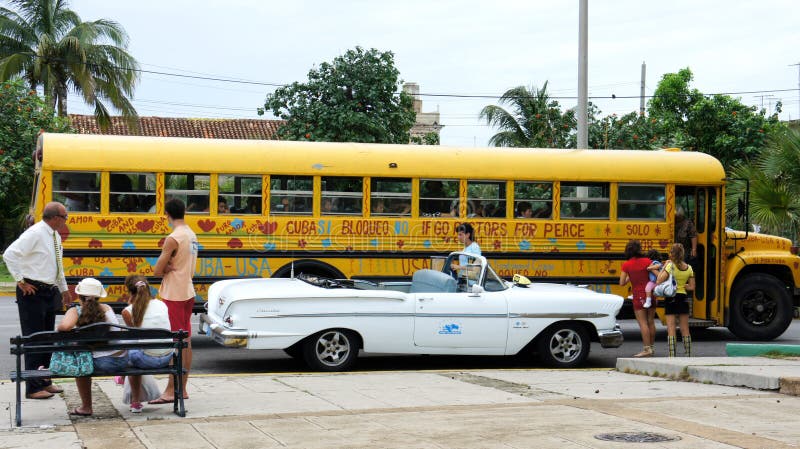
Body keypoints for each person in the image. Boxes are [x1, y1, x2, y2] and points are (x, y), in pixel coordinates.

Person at [2, 201, 72, 399]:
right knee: (34, 338)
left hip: (49, 290)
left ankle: (44, 380)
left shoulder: (54, 235)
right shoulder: (35, 233)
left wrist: (64, 289)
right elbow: (9, 255)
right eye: (65, 217)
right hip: (32, 291)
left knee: (47, 338)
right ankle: (33, 387)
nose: (66, 221)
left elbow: (58, 265)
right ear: (55, 218)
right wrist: (20, 281)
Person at [150, 198, 198, 405]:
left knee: (175, 342)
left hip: (174, 293)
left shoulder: (173, 238)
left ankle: (171, 390)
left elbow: (156, 270)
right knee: (186, 340)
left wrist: (166, 266)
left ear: (167, 214)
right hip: (187, 289)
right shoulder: (191, 234)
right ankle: (182, 388)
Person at [57, 278, 127, 416]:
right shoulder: (107, 309)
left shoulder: (76, 311)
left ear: (79, 295)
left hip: (102, 363)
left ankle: (86, 407)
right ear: (99, 296)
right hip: (122, 361)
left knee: (81, 363)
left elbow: (64, 327)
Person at [121, 275, 173, 413]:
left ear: (130, 291)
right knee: (138, 349)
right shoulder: (162, 305)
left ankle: (136, 402)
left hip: (145, 360)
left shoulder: (128, 311)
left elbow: (134, 336)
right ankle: (123, 379)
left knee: (132, 349)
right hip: (167, 357)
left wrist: (130, 303)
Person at [656, 243, 695, 357]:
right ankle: (688, 354)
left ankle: (672, 355)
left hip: (671, 298)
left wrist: (664, 266)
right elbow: (691, 287)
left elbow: (658, 280)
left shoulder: (670, 266)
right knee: (685, 328)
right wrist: (681, 285)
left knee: (671, 328)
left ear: (672, 254)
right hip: (683, 298)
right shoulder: (689, 268)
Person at [619, 240, 656, 358]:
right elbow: (656, 275)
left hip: (638, 296)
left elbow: (621, 283)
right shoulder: (648, 261)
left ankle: (647, 349)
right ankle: (651, 347)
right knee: (651, 321)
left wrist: (630, 276)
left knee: (643, 323)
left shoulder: (627, 265)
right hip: (651, 294)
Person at [450, 223, 481, 287]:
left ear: (467, 235)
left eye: (460, 235)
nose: (458, 237)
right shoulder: (466, 248)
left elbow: (476, 267)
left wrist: (458, 267)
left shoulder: (474, 248)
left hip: (471, 285)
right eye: (458, 235)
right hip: (464, 282)